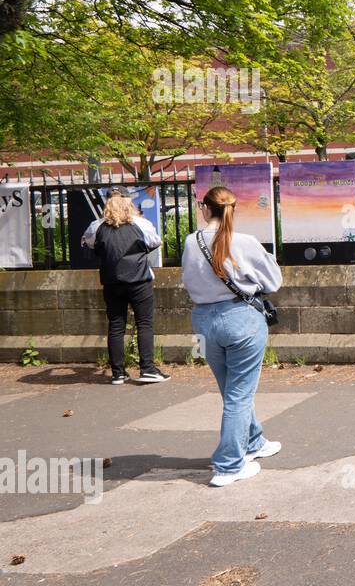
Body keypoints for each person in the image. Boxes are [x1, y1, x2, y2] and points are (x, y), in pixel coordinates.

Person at [181, 186, 283, 487]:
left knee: (231, 389)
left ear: (205, 208)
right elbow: (274, 281)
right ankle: (229, 465)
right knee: (239, 393)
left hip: (203, 321)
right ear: (232, 210)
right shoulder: (245, 242)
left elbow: (188, 279)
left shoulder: (190, 241)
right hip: (241, 319)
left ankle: (253, 442)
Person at [81, 191, 169, 385]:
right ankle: (147, 368)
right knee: (144, 323)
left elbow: (88, 243)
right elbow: (155, 242)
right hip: (139, 279)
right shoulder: (141, 224)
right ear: (129, 205)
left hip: (111, 281)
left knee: (116, 325)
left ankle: (118, 373)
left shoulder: (96, 226)